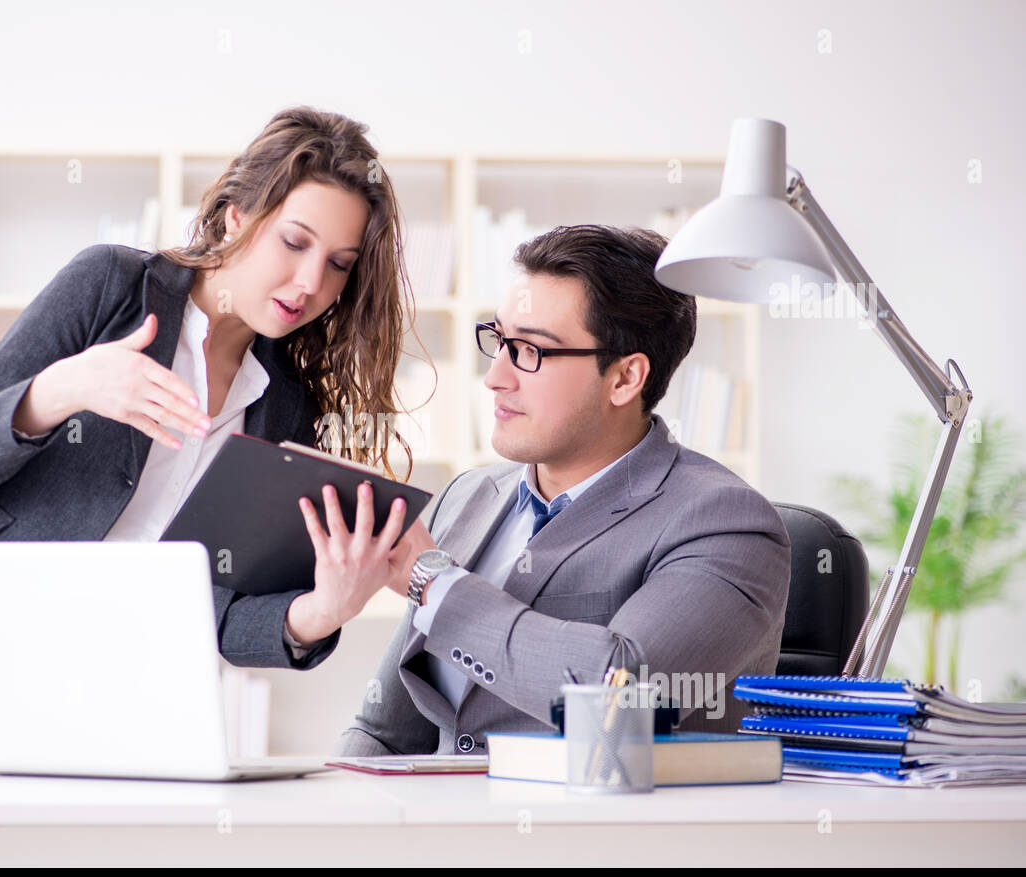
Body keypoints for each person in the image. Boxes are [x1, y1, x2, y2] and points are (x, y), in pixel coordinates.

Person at [0, 106, 414, 756]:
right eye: (294, 242)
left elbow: (218, 608)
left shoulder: (283, 405)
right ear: (237, 216)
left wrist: (324, 609)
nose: (310, 283)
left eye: (338, 263)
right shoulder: (111, 286)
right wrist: (64, 388)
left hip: (110, 681)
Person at [334, 224, 792, 756]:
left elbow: (621, 697)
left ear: (625, 378)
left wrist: (437, 587)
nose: (496, 377)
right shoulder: (471, 495)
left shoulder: (727, 522)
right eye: (500, 341)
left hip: (597, 835)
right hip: (448, 830)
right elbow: (384, 731)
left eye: (530, 350)